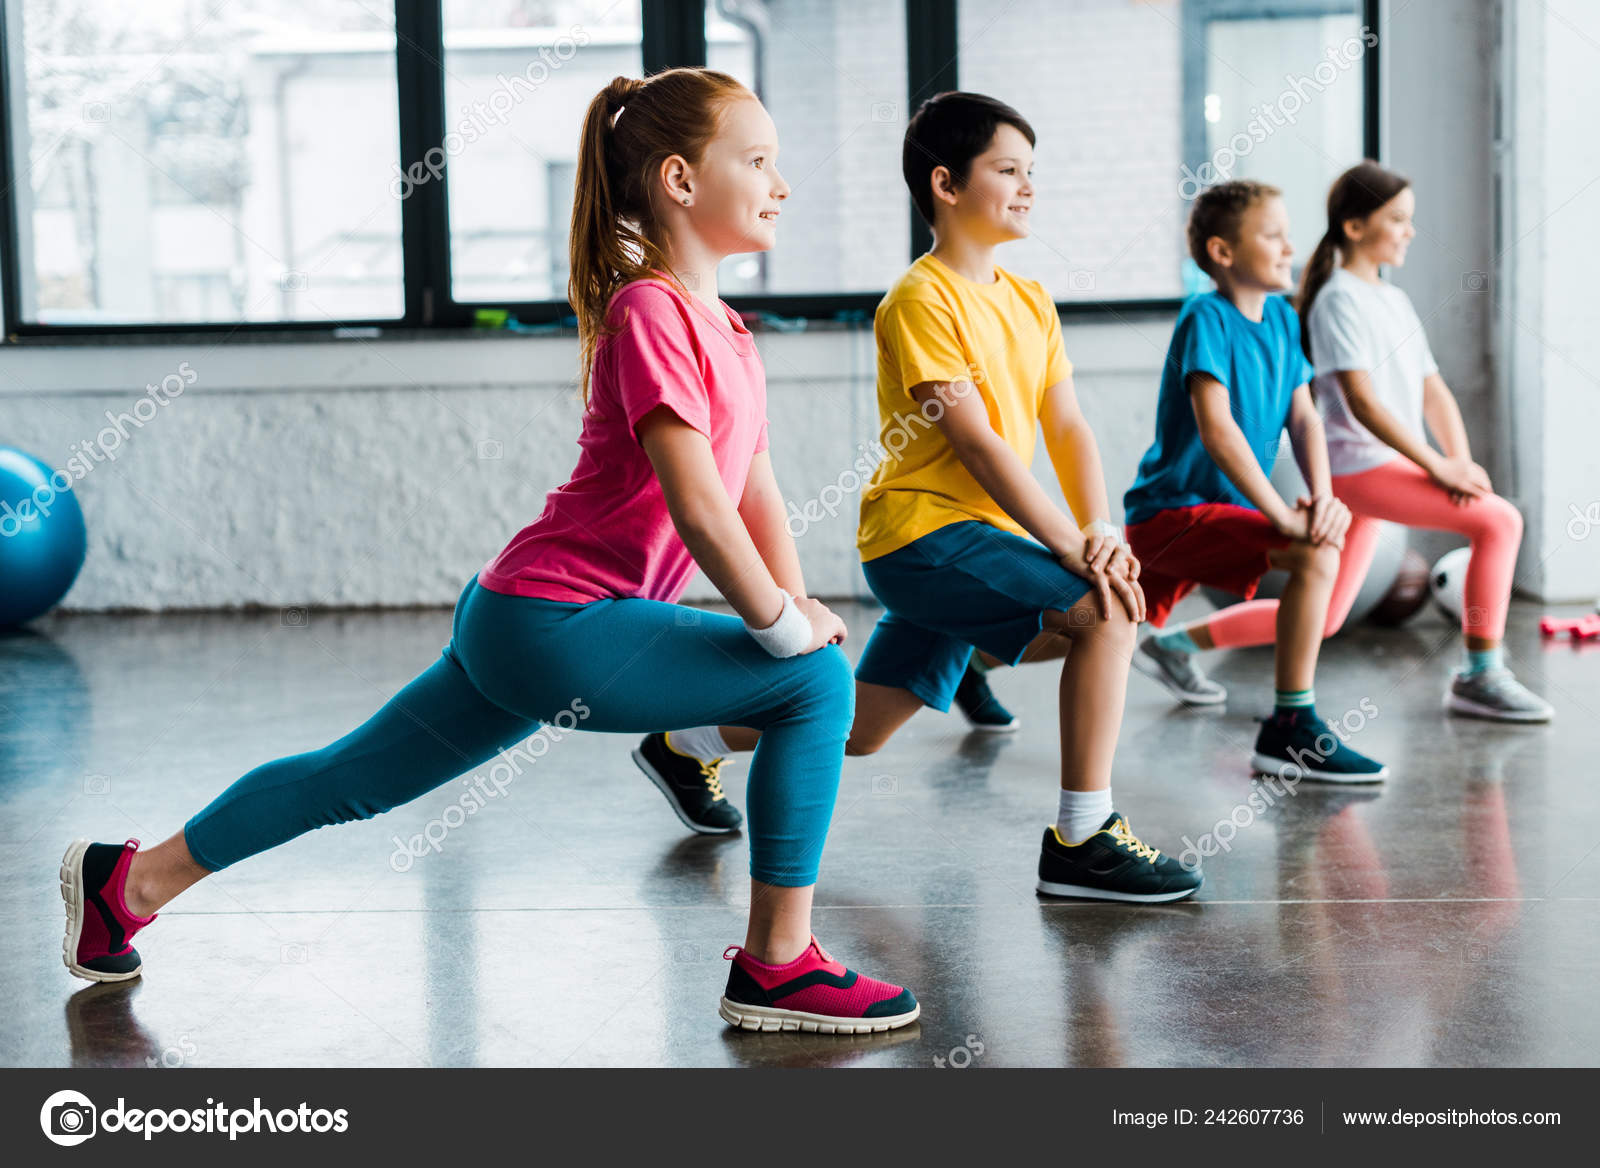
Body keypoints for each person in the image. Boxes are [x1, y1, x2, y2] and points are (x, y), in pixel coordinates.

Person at [60, 68, 918, 1036]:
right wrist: (779, 629)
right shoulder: (651, 310)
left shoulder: (726, 329)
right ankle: (776, 967)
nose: (782, 182)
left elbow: (756, 493)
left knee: (354, 779)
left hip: (521, 616)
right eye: (758, 161)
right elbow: (696, 501)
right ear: (680, 179)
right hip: (558, 622)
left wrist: (799, 611)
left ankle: (126, 884)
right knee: (815, 689)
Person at [638, 92, 1202, 903]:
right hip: (924, 538)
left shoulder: (1030, 300)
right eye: (1007, 169)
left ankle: (684, 742)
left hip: (983, 544)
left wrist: (1099, 526)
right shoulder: (920, 299)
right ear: (946, 182)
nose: (1028, 186)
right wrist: (1074, 552)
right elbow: (977, 444)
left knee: (858, 729)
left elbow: (1068, 426)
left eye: (1032, 171)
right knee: (1107, 612)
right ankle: (1082, 838)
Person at [1123, 179, 1389, 783]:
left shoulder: (1282, 317)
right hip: (1172, 514)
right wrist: (1285, 516)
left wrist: (1322, 498)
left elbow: (1304, 417)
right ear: (1223, 252)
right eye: (1271, 235)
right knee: (1313, 553)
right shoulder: (1205, 317)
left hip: (1214, 517)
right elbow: (1217, 431)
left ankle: (974, 668)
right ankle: (1290, 728)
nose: (1288, 246)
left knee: (1103, 624)